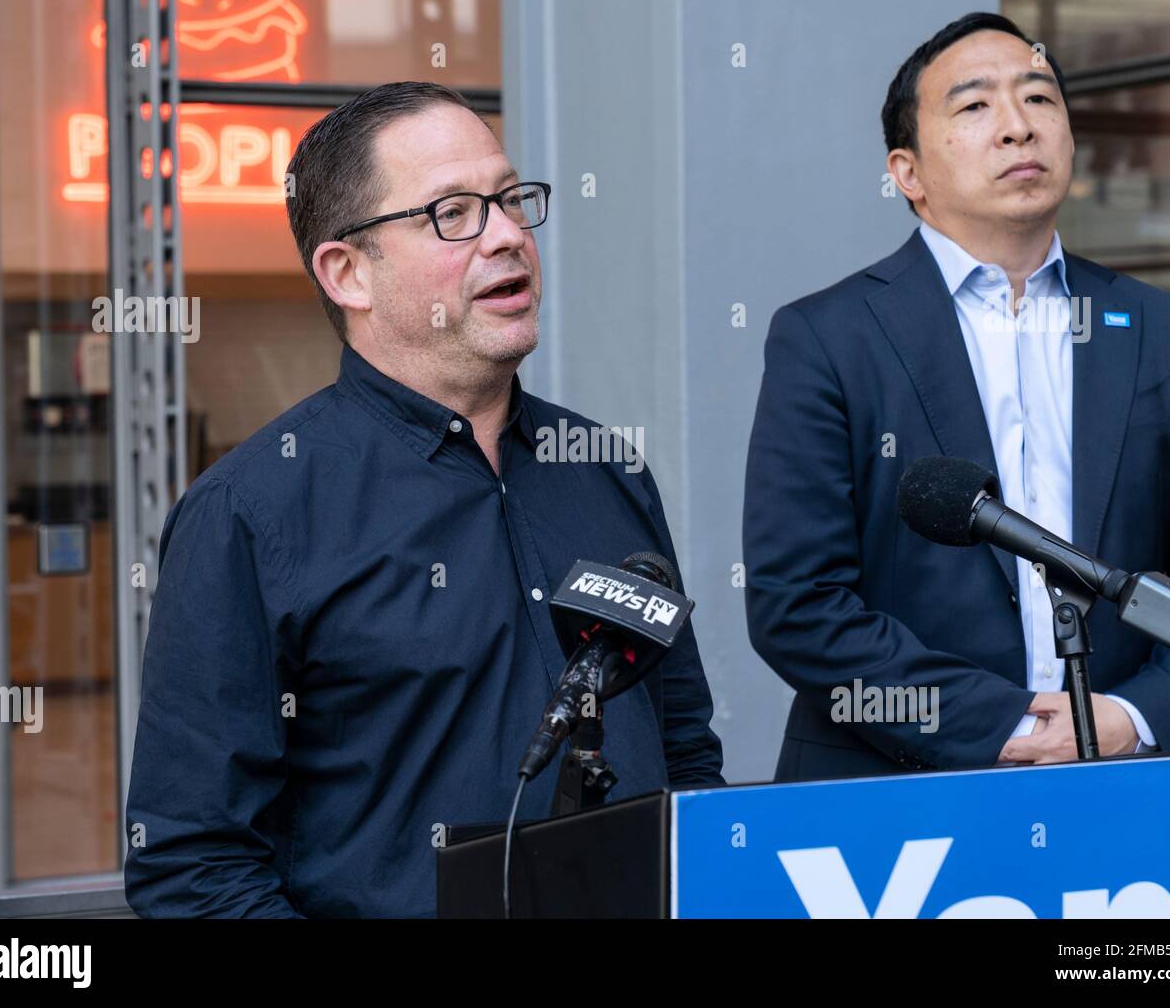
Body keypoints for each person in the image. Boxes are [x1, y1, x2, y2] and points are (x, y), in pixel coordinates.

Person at [124, 81, 723, 917]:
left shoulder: (605, 469)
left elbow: (685, 750)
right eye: (453, 213)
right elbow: (193, 865)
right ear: (348, 273)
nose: (509, 235)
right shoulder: (250, 515)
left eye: (511, 200)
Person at [744, 13, 1170, 781]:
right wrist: (1004, 726)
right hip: (894, 796)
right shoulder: (828, 337)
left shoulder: (1162, 330)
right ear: (906, 172)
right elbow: (797, 605)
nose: (1017, 127)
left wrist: (1132, 717)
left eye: (1039, 99)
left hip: (1127, 785)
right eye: (975, 107)